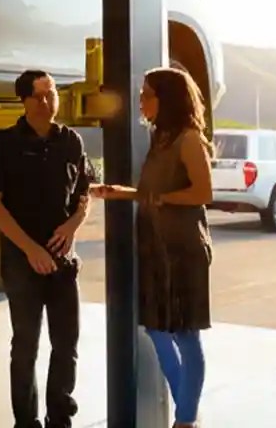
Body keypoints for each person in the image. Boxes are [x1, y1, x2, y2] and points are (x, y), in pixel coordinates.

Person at [90, 66, 214, 428]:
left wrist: (157, 198)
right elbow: (151, 195)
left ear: (166, 99)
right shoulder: (159, 140)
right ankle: (188, 411)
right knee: (158, 330)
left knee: (185, 333)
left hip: (183, 249)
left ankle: (186, 419)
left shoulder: (188, 139)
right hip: (155, 248)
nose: (140, 101)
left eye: (146, 94)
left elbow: (203, 193)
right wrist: (118, 193)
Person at [0, 70, 94, 428]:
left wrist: (73, 225)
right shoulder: (5, 145)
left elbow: (84, 194)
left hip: (62, 263)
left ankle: (60, 418)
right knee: (25, 346)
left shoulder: (71, 141)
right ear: (24, 101)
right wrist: (31, 249)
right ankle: (25, 422)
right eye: (39, 96)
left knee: (66, 345)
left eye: (52, 94)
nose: (47, 103)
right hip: (22, 263)